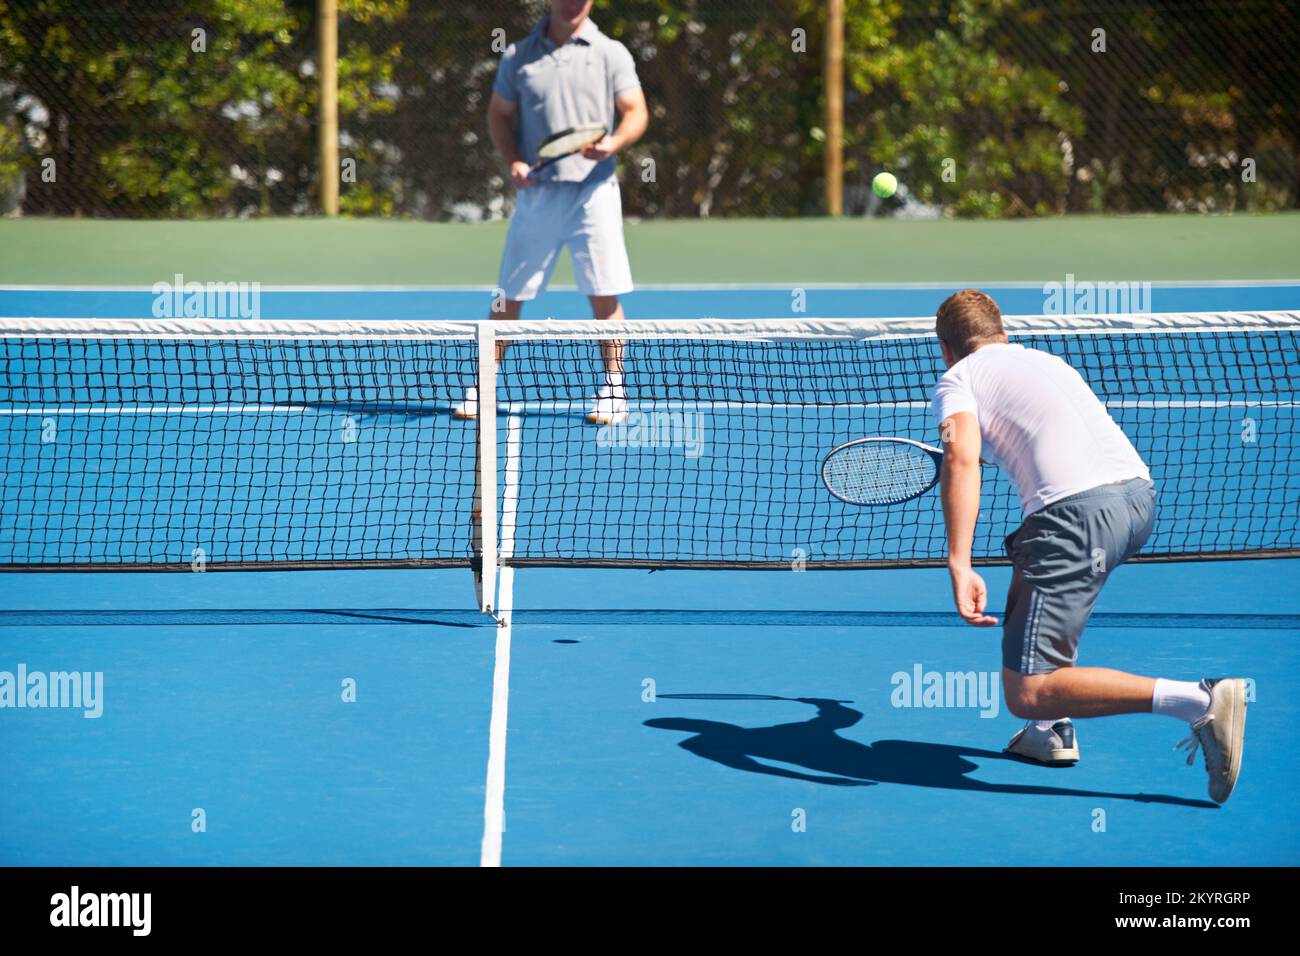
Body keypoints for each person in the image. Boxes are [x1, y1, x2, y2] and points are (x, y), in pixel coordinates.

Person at [931, 289, 1247, 803]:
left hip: (1075, 518)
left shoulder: (959, 377)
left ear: (946, 348)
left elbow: (962, 459)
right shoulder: (1047, 362)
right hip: (1136, 502)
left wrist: (959, 562)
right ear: (1002, 332)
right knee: (1038, 572)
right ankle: (1050, 731)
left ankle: (1198, 700)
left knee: (1027, 691)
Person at [454, 0, 648, 426]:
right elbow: (499, 116)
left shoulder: (611, 52)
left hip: (593, 192)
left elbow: (636, 112)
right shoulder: (518, 55)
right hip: (538, 195)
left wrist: (612, 144)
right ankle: (484, 384)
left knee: (604, 294)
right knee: (510, 294)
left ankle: (614, 389)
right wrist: (514, 162)